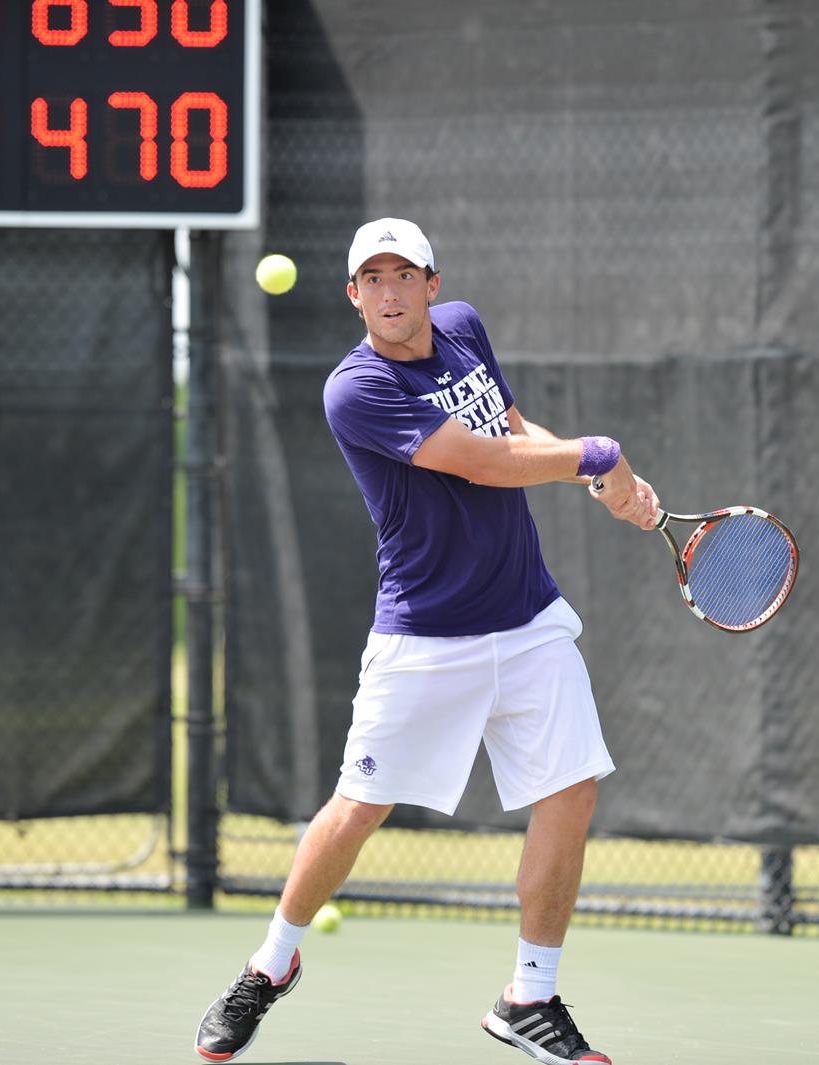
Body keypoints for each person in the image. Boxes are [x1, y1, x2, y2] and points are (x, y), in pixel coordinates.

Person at [194, 218, 657, 1065]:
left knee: (572, 789)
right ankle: (269, 964)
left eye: (404, 274)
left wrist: (598, 477)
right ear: (354, 295)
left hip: (527, 616)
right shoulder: (354, 389)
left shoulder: (466, 330)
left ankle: (530, 996)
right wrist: (597, 453)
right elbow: (475, 460)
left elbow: (510, 427)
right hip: (425, 635)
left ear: (432, 285)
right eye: (372, 279)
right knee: (356, 809)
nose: (390, 291)